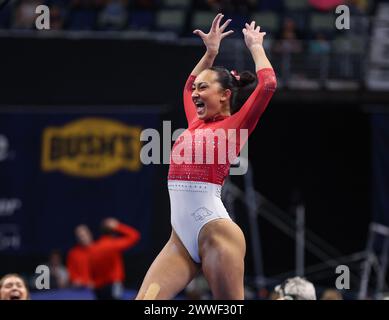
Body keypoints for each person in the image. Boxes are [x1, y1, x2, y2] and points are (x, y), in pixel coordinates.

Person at [136, 13, 277, 300]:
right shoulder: (195, 122)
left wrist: (255, 46)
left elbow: (268, 85)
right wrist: (210, 53)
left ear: (225, 95)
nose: (196, 92)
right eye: (197, 87)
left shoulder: (235, 126)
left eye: (204, 87)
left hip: (216, 234)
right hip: (180, 240)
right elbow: (186, 86)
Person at [88, 218, 140, 300]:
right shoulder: (113, 245)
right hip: (113, 284)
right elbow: (134, 236)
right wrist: (118, 226)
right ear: (113, 231)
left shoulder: (94, 248)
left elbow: (91, 269)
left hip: (98, 287)